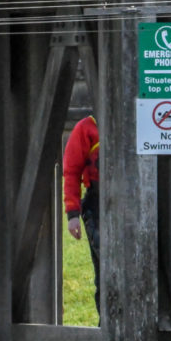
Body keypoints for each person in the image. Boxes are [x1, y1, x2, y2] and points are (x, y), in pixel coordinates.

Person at [62, 114, 100, 318]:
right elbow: (71, 171)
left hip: (134, 204)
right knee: (105, 272)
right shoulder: (86, 129)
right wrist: (73, 214)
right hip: (97, 204)